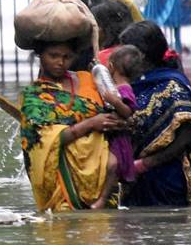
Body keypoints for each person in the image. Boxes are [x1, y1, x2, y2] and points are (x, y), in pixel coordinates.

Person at [19, 37, 126, 211]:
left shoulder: (88, 79)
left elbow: (114, 111)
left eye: (67, 57)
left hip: (102, 181)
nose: (60, 62)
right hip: (62, 186)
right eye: (53, 56)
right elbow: (43, 140)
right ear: (40, 55)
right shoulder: (34, 96)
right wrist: (91, 123)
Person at [119, 20, 191, 206]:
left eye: (125, 52)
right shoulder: (132, 85)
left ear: (141, 56)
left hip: (168, 180)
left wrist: (145, 164)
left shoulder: (172, 86)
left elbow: (186, 136)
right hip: (138, 182)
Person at [91, 45, 143, 208]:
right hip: (113, 137)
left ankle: (102, 200)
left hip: (120, 140)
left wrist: (115, 101)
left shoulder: (124, 89)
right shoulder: (115, 88)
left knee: (112, 165)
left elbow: (128, 111)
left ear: (111, 66)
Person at [91, 0, 134, 65]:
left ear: (106, 28)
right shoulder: (135, 54)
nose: (92, 29)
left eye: (95, 25)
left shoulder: (100, 58)